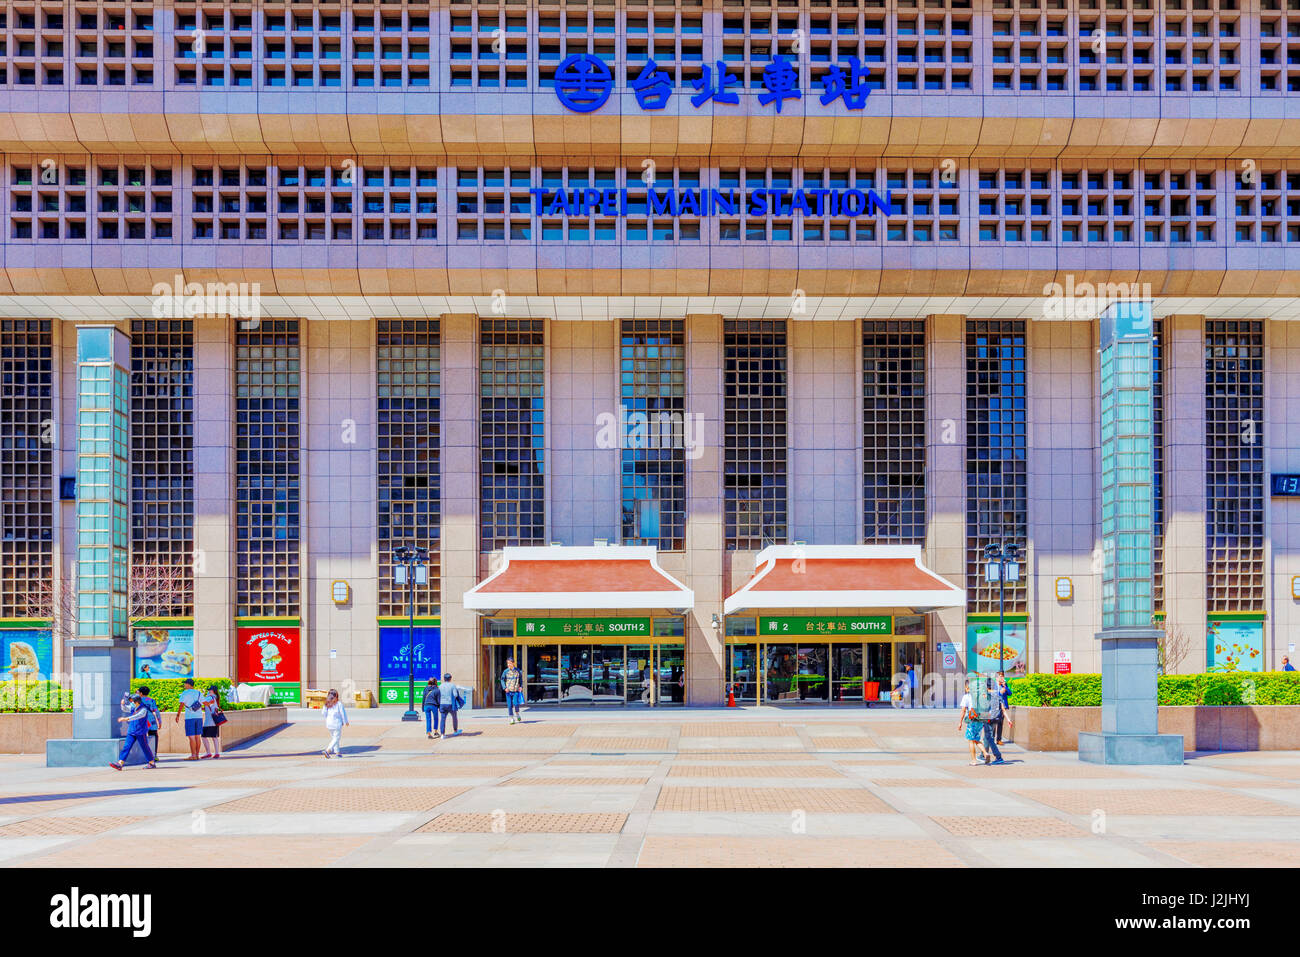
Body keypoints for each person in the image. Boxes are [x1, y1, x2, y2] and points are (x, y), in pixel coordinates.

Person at [110, 694, 156, 770]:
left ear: (137, 702)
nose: (131, 703)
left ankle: (151, 763)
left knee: (145, 747)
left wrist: (126, 719)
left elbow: (137, 716)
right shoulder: (133, 707)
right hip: (131, 731)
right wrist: (122, 704)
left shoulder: (143, 709)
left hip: (140, 731)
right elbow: (124, 709)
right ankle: (120, 763)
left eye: (132, 702)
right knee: (126, 747)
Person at [981, 676, 1012, 766]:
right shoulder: (998, 694)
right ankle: (983, 754)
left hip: (988, 718)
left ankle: (998, 757)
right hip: (996, 718)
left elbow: (984, 709)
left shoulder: (986, 695)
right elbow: (1002, 708)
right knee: (988, 737)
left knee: (989, 738)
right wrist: (1008, 719)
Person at [957, 679, 987, 766]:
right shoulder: (980, 696)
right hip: (980, 720)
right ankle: (985, 753)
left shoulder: (966, 697)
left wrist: (960, 722)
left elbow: (963, 711)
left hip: (972, 720)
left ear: (967, 688)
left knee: (971, 740)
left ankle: (974, 760)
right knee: (976, 739)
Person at [175, 677, 204, 761]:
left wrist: (178, 715)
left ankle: (193, 755)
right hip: (199, 716)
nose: (184, 685)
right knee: (197, 737)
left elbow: (181, 705)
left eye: (185, 683)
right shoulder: (199, 693)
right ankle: (197, 755)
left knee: (191, 737)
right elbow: (203, 703)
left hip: (190, 717)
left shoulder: (185, 693)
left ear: (188, 684)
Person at [137, 685, 161, 760]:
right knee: (154, 736)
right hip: (151, 720)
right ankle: (154, 754)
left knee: (141, 737)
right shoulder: (151, 700)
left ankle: (142, 755)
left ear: (140, 693)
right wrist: (160, 721)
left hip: (141, 720)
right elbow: (156, 711)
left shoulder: (137, 701)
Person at [322, 689, 348, 758]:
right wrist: (346, 721)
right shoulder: (339, 704)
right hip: (336, 724)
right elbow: (343, 713)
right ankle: (328, 750)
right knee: (336, 738)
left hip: (329, 724)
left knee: (334, 738)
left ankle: (337, 752)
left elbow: (323, 713)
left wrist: (327, 718)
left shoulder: (326, 703)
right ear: (336, 696)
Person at [199, 684, 222, 758]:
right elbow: (209, 706)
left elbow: (206, 702)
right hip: (214, 720)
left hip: (209, 721)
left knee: (203, 737)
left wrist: (200, 697)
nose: (208, 691)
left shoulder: (211, 697)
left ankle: (208, 752)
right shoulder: (215, 698)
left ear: (213, 691)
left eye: (210, 690)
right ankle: (216, 752)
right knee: (214, 737)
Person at [501, 657, 524, 725]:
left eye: (510, 663)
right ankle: (511, 718)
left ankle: (517, 713)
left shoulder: (518, 670)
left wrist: (521, 687)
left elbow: (521, 680)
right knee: (509, 705)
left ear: (513, 663)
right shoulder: (505, 671)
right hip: (508, 691)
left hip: (516, 691)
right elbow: (502, 680)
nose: (508, 665)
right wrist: (505, 688)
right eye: (508, 663)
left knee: (516, 703)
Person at [994, 672, 1011, 745]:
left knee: (1000, 723)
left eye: (1003, 677)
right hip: (994, 707)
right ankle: (992, 739)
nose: (1002, 678)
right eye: (1000, 677)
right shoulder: (993, 686)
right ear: (997, 678)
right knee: (994, 723)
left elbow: (1010, 693)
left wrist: (1005, 686)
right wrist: (999, 693)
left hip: (1002, 707)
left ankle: (999, 739)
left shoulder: (1004, 685)